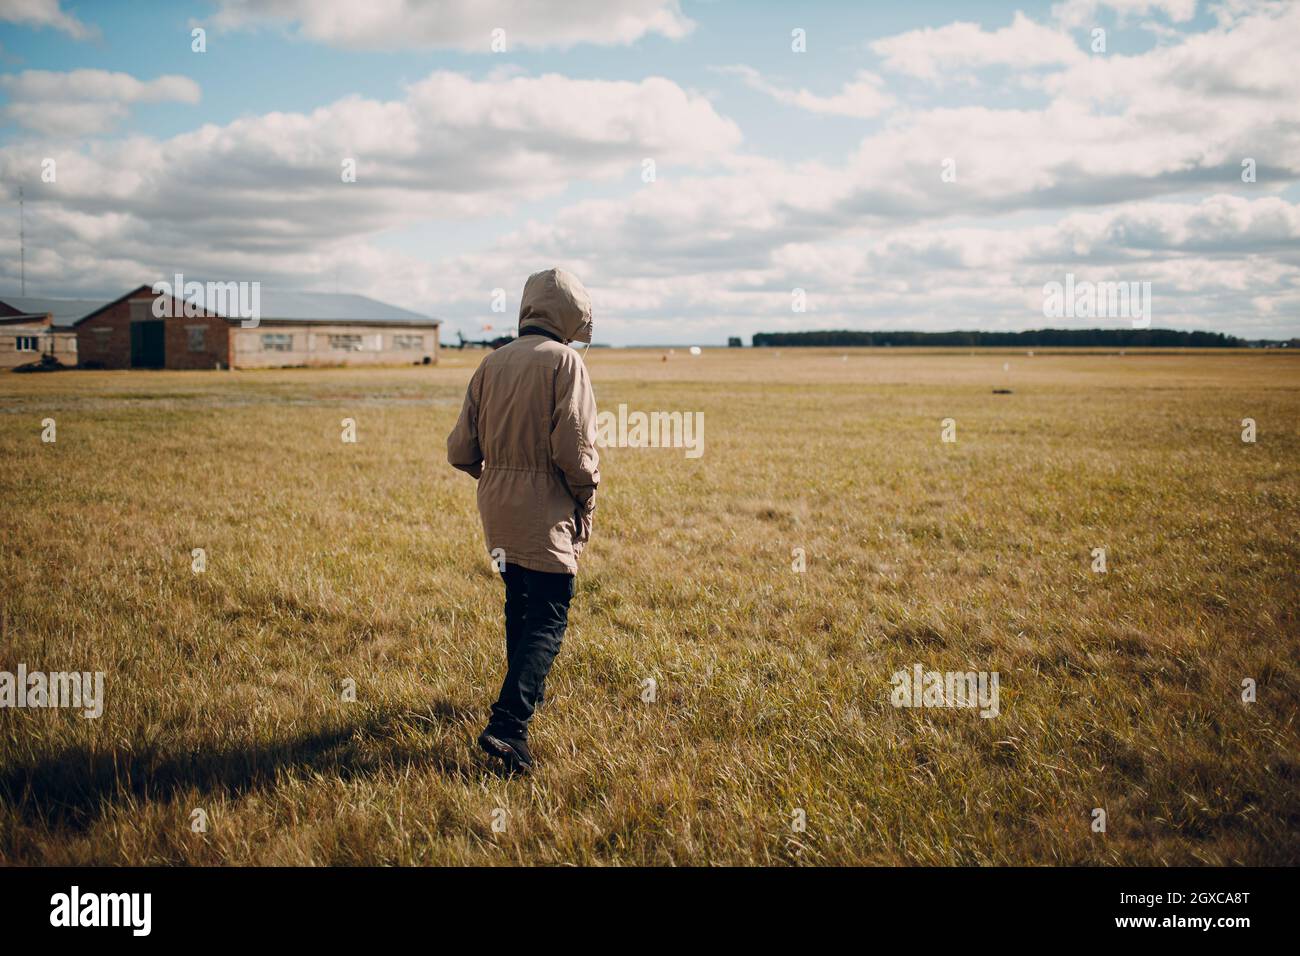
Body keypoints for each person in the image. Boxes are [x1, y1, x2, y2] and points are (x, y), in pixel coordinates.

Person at [446, 268, 599, 774]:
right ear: (571, 314)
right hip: (546, 506)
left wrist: (495, 479)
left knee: (520, 603)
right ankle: (509, 725)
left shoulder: (492, 363)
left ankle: (519, 700)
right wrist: (585, 496)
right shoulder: (565, 363)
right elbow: (573, 450)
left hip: (497, 507)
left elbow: (460, 449)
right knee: (550, 617)